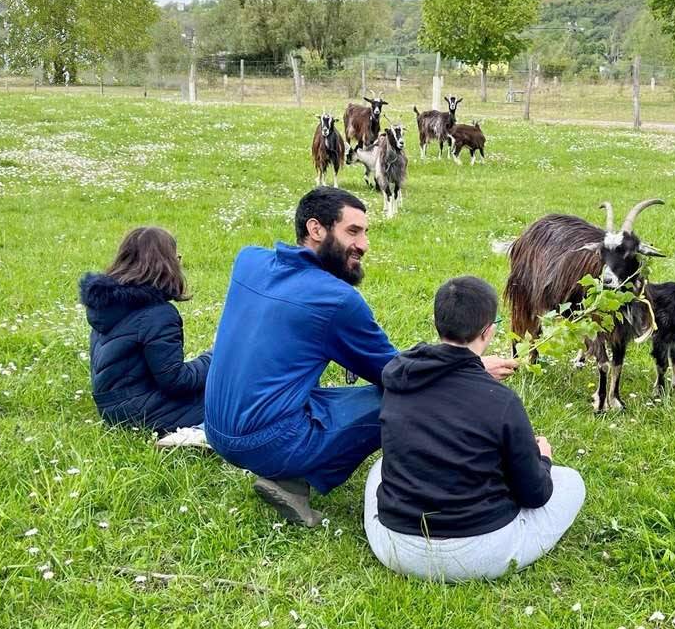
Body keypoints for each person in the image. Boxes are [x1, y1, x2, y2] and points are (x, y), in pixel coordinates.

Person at [203, 187, 515, 527]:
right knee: (401, 401)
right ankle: (292, 479)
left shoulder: (248, 260)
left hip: (216, 426)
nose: (364, 245)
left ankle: (286, 467)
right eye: (353, 231)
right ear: (316, 229)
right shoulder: (334, 300)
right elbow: (397, 375)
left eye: (365, 232)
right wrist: (465, 363)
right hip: (264, 440)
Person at [364, 276, 584, 581]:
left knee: (379, 468)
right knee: (571, 482)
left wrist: (476, 366)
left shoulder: (398, 376)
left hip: (395, 546)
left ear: (437, 322)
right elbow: (535, 494)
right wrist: (543, 459)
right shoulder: (501, 401)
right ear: (489, 330)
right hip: (478, 552)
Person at [78, 226, 211, 448]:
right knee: (230, 400)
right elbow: (177, 382)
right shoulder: (158, 314)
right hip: (143, 411)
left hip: (112, 408)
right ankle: (194, 434)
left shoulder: (107, 304)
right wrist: (215, 358)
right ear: (166, 263)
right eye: (176, 257)